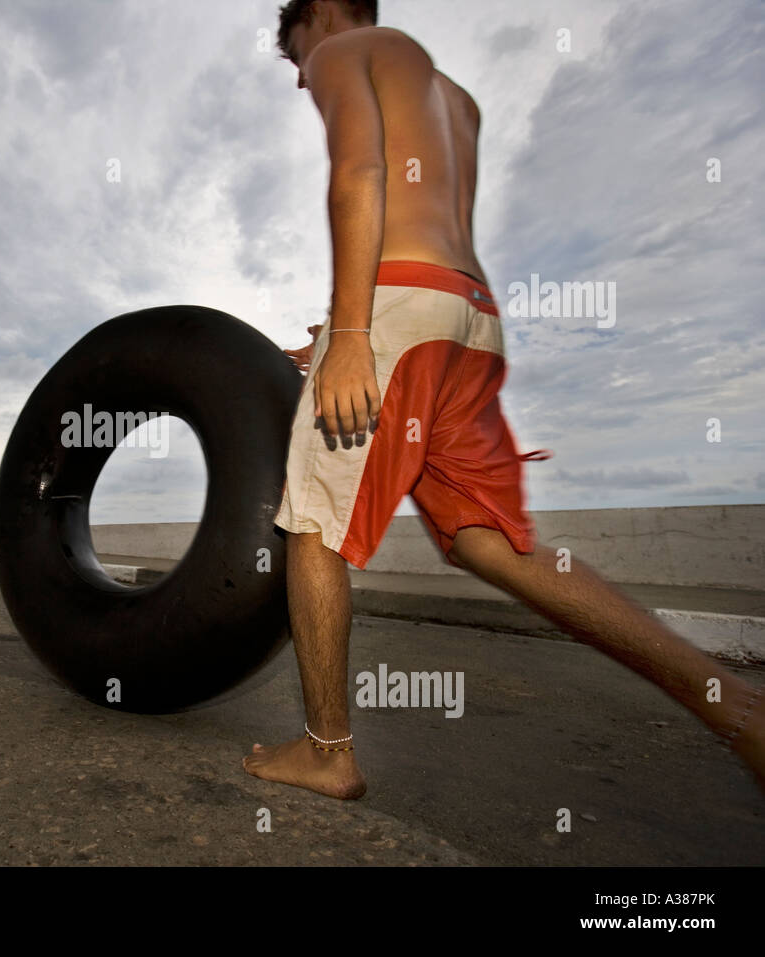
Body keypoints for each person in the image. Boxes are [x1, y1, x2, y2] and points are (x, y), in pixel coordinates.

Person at [245, 0, 764, 799]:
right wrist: (356, 328)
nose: (298, 74)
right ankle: (743, 713)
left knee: (312, 521)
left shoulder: (345, 50)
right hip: (470, 320)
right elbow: (431, 219)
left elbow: (362, 172)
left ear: (316, 15)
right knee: (493, 543)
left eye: (293, 55)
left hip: (394, 311)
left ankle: (327, 749)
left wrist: (353, 329)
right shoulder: (456, 98)